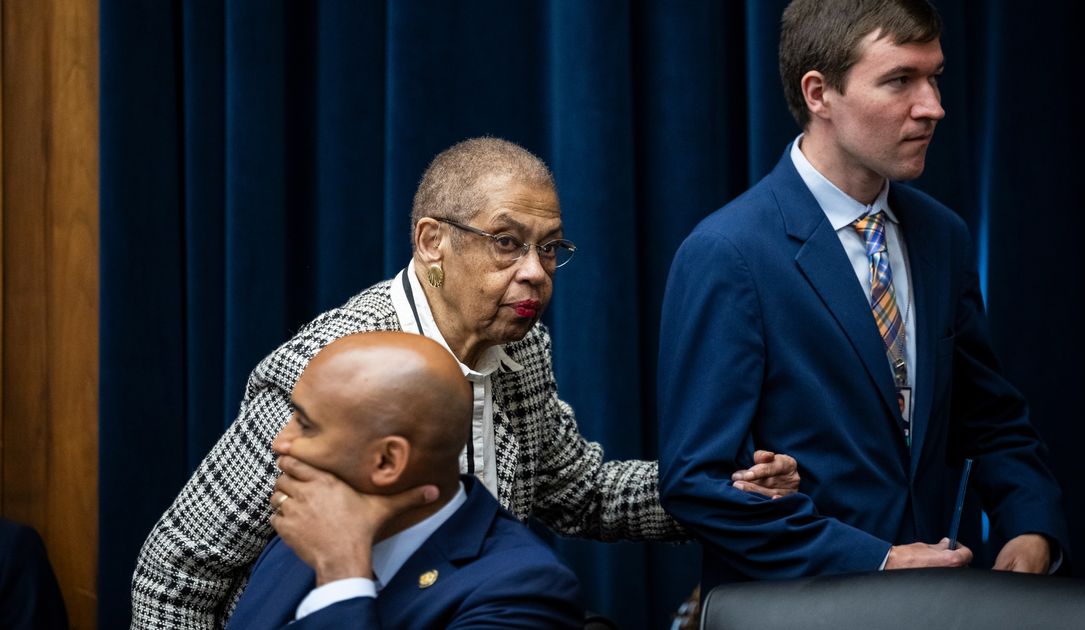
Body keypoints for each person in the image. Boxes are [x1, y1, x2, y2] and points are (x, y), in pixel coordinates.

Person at [132, 137, 800, 628]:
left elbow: (577, 492)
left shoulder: (521, 343)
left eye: (549, 248)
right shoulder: (338, 368)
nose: (536, 272)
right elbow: (177, 572)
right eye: (507, 243)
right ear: (431, 242)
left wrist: (721, 488)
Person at [657, 0, 1069, 592]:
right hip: (802, 609)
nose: (933, 107)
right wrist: (880, 561)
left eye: (934, 78)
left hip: (942, 604)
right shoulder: (727, 252)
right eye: (901, 80)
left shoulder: (942, 236)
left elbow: (992, 421)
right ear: (819, 93)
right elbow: (698, 484)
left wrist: (1033, 530)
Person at [224, 331, 583, 629]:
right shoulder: (307, 524)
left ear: (387, 461)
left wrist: (342, 575)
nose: (280, 443)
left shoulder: (521, 590)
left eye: (304, 425)